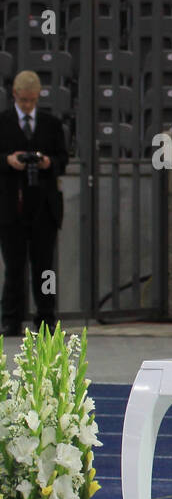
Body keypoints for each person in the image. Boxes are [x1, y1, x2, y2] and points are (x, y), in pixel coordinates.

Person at [1, 70, 67, 336]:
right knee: (14, 266)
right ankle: (11, 319)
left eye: (32, 100)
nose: (27, 104)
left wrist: (48, 162)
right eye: (23, 99)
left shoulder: (51, 124)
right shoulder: (3, 123)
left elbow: (63, 159)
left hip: (43, 206)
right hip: (11, 206)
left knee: (44, 267)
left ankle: (46, 317)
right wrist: (9, 160)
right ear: (15, 95)